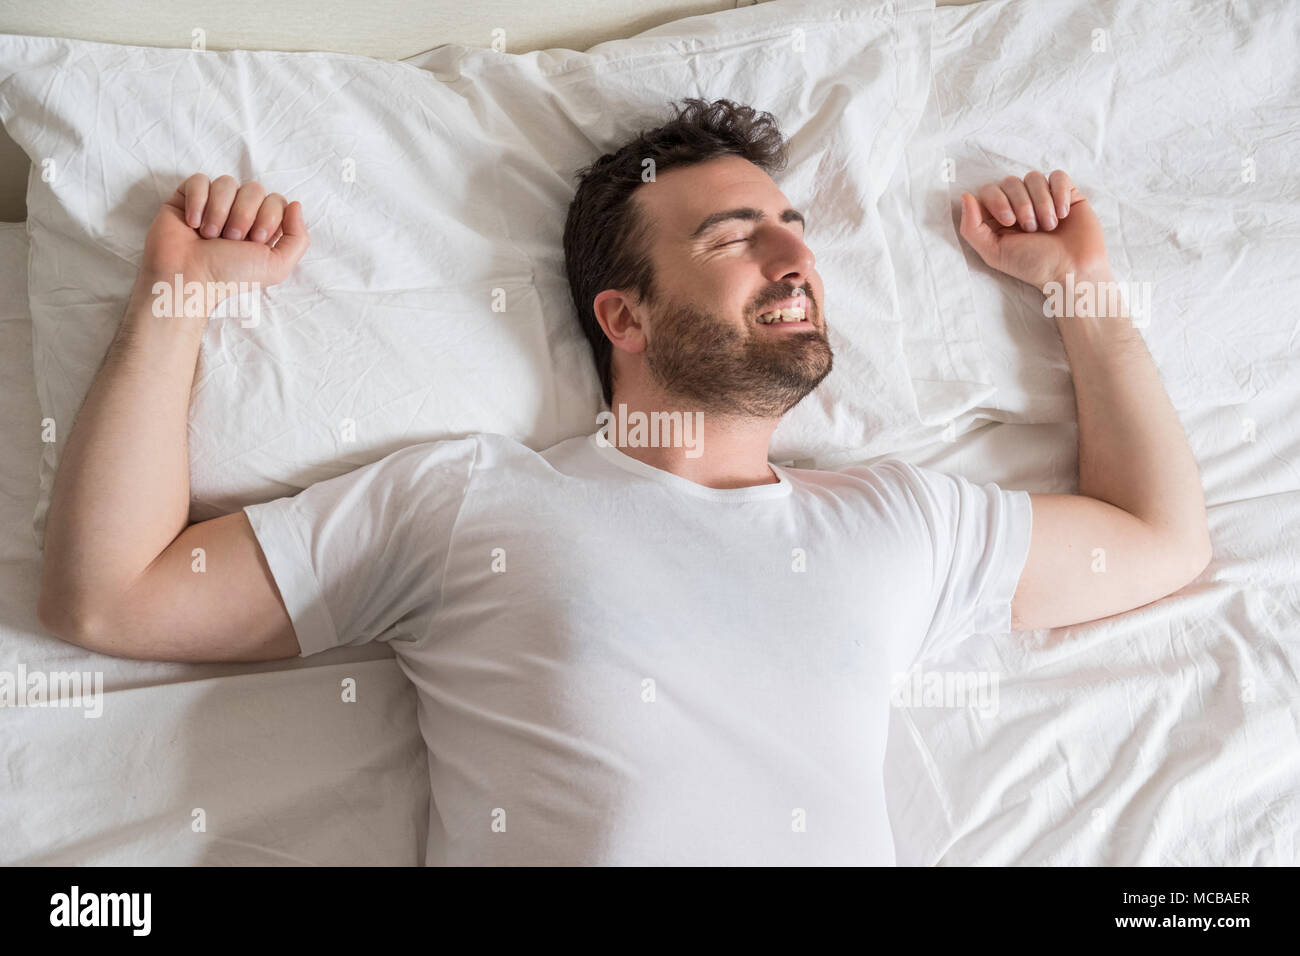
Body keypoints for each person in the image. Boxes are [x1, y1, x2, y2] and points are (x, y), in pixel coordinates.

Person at [36, 98, 1211, 865]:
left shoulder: (901, 518)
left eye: (794, 228)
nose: (796, 253)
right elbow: (114, 594)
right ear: (623, 315)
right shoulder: (467, 506)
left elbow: (1157, 537)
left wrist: (1081, 292)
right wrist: (178, 300)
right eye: (734, 235)